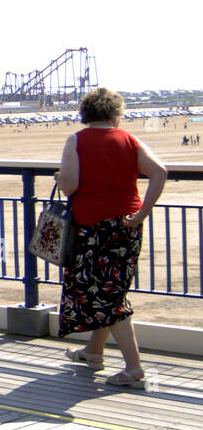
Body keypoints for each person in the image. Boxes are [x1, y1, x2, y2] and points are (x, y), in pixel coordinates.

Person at [56, 87, 168, 388]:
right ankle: (94, 351)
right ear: (115, 112)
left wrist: (59, 177)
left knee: (110, 296)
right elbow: (159, 172)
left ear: (85, 113)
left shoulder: (77, 140)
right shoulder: (129, 140)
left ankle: (134, 368)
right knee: (110, 290)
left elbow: (69, 186)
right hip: (126, 225)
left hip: (92, 228)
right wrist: (142, 213)